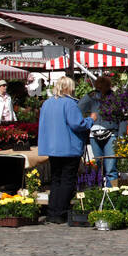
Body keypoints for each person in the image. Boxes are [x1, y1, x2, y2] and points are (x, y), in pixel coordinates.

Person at [37, 76, 94, 224]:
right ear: (68, 88)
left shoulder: (47, 103)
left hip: (52, 148)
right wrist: (91, 119)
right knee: (67, 180)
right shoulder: (69, 103)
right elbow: (77, 124)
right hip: (68, 147)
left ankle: (52, 211)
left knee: (55, 180)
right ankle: (61, 212)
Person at [79, 77, 120, 187]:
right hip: (94, 135)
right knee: (99, 167)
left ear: (108, 87)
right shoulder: (92, 97)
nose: (100, 90)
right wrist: (89, 97)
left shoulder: (115, 98)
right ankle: (101, 193)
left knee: (111, 168)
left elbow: (122, 117)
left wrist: (121, 135)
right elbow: (79, 108)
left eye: (102, 87)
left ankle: (113, 192)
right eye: (98, 88)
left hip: (111, 134)